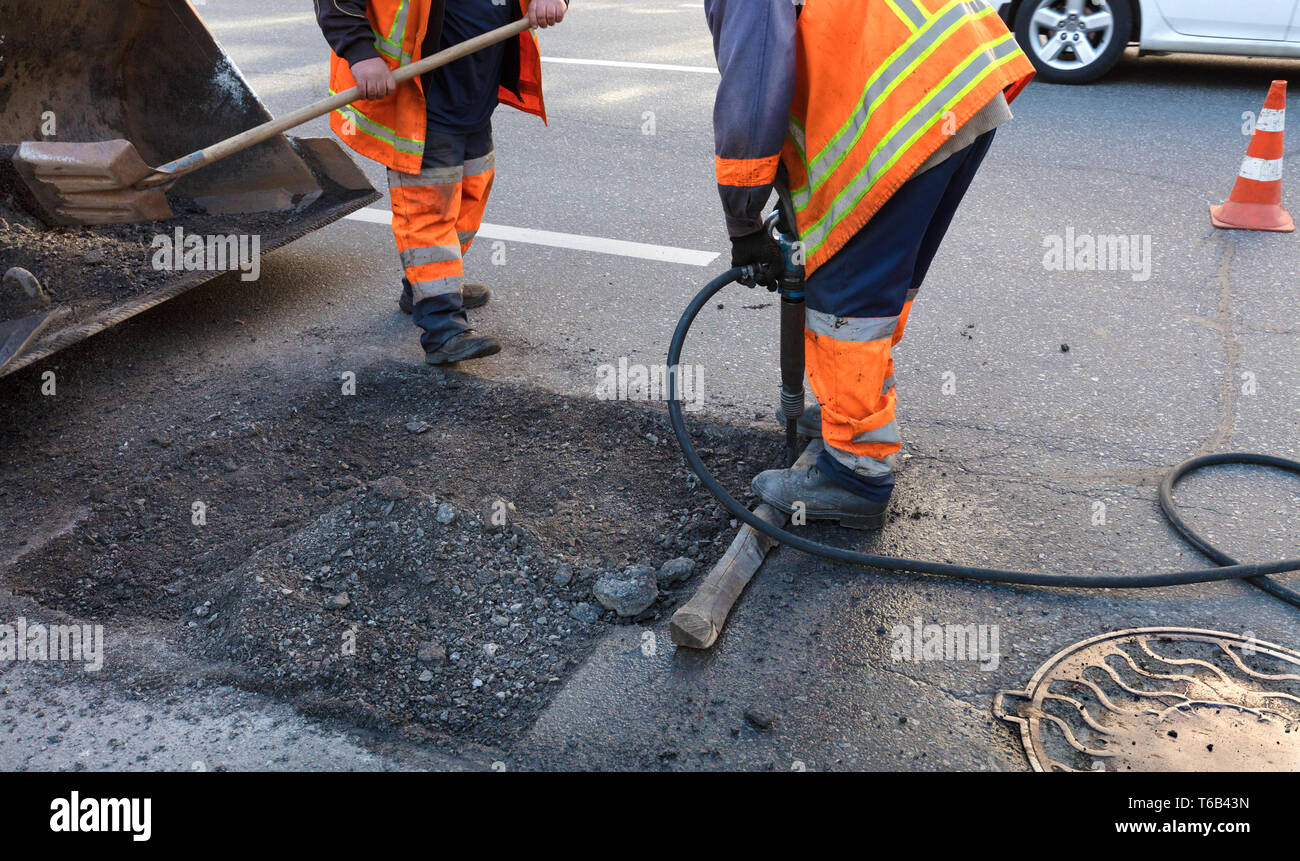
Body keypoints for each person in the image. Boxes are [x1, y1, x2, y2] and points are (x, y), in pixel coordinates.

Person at [704, 0, 1034, 529]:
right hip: (955, 78)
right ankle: (852, 415)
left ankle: (855, 470)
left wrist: (744, 222)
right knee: (881, 287)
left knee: (847, 293)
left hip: (902, 106)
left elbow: (756, 81)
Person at [316, 0, 567, 364]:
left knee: (471, 195)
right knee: (429, 211)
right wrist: (360, 54)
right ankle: (443, 328)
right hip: (422, 102)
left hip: (476, 96)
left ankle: (424, 288)